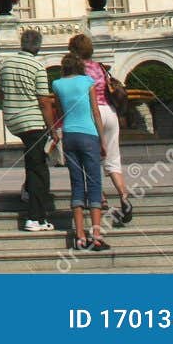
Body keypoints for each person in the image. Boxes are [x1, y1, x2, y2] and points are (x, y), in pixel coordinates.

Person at [0, 27, 58, 233]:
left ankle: (27, 191)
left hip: (13, 120)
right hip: (32, 122)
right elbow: (43, 102)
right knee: (40, 169)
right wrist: (52, 128)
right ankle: (35, 218)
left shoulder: (6, 64)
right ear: (38, 47)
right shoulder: (37, 67)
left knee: (34, 161)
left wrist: (10, 100)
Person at [67, 33, 131, 226]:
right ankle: (124, 196)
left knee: (90, 158)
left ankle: (100, 197)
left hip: (92, 115)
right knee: (113, 159)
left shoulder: (77, 70)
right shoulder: (101, 67)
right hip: (111, 113)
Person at [52, 52, 108, 252]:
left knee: (76, 184)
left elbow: (60, 111)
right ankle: (96, 235)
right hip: (88, 135)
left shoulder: (57, 84)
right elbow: (95, 111)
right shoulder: (87, 81)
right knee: (94, 183)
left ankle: (79, 236)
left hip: (69, 136)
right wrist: (103, 140)